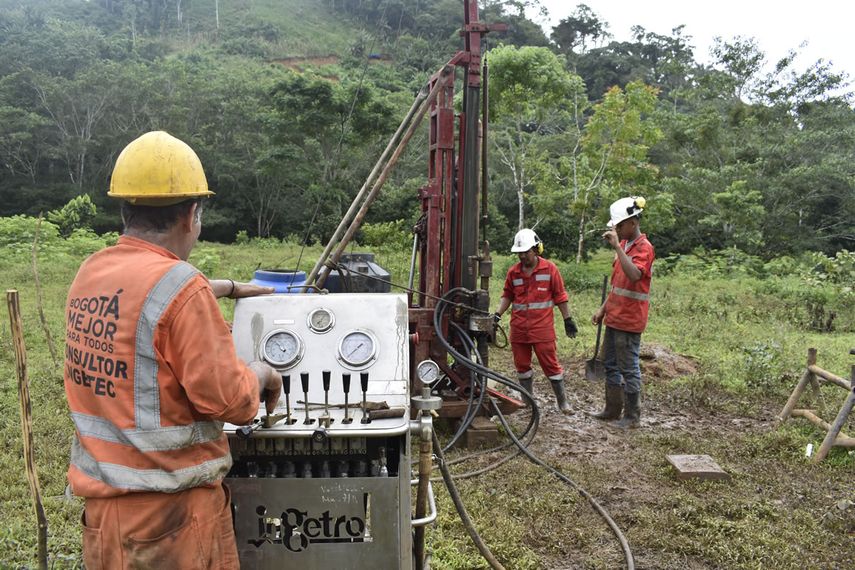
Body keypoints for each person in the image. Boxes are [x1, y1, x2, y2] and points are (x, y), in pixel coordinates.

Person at [63, 131, 283, 568]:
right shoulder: (182, 290)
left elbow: (144, 309)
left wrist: (223, 288)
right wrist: (262, 372)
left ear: (126, 210)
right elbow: (232, 401)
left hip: (105, 519)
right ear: (191, 215)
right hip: (172, 521)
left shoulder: (92, 272)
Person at [494, 228, 578, 414]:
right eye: (519, 253)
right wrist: (498, 314)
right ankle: (528, 402)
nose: (522, 256)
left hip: (542, 329)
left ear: (536, 249)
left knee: (551, 366)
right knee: (522, 367)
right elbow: (507, 295)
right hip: (519, 329)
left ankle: (563, 402)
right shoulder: (513, 273)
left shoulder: (550, 269)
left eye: (526, 252)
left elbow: (560, 296)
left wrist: (568, 319)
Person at [591, 196, 655, 429]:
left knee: (628, 368)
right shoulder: (627, 247)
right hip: (614, 317)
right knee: (610, 364)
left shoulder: (644, 249)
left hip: (629, 320)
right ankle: (612, 409)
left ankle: (632, 416)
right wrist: (602, 309)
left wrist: (617, 247)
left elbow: (635, 275)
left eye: (619, 225)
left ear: (633, 223)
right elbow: (617, 286)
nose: (616, 230)